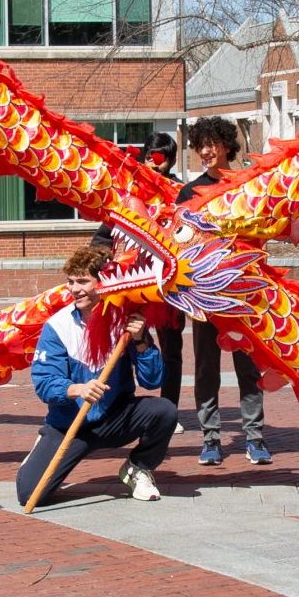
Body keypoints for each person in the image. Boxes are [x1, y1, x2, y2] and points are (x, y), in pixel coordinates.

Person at [14, 245, 176, 505]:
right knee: (29, 494)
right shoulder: (58, 326)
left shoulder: (125, 321)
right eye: (70, 282)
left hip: (115, 418)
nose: (74, 289)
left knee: (164, 410)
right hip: (70, 424)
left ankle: (138, 467)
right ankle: (39, 453)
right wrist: (77, 389)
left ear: (102, 283)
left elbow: (152, 380)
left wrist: (141, 341)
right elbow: (44, 383)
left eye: (83, 282)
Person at [180, 117, 274, 466]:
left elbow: (261, 232)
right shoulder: (189, 193)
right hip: (204, 295)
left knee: (247, 366)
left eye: (211, 144)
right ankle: (210, 439)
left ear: (226, 146)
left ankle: (255, 437)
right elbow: (179, 241)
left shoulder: (246, 184)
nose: (205, 151)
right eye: (200, 145)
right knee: (206, 367)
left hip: (242, 295)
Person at [89, 132, 186, 430]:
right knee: (126, 342)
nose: (156, 165)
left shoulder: (181, 194)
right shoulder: (130, 193)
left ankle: (170, 407)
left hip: (168, 285)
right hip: (131, 284)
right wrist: (101, 266)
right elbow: (102, 238)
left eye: (163, 159)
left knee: (172, 348)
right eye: (151, 157)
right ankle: (117, 403)